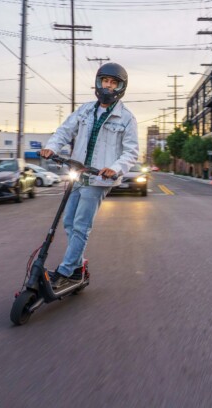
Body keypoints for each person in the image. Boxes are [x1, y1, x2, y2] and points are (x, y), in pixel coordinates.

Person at [38, 63, 139, 288]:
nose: (108, 86)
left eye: (113, 83)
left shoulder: (126, 118)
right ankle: (77, 268)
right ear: (98, 82)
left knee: (81, 225)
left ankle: (65, 271)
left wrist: (114, 168)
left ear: (121, 87)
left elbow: (131, 152)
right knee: (69, 222)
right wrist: (51, 147)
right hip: (79, 174)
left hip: (99, 179)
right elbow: (64, 131)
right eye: (105, 81)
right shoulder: (85, 110)